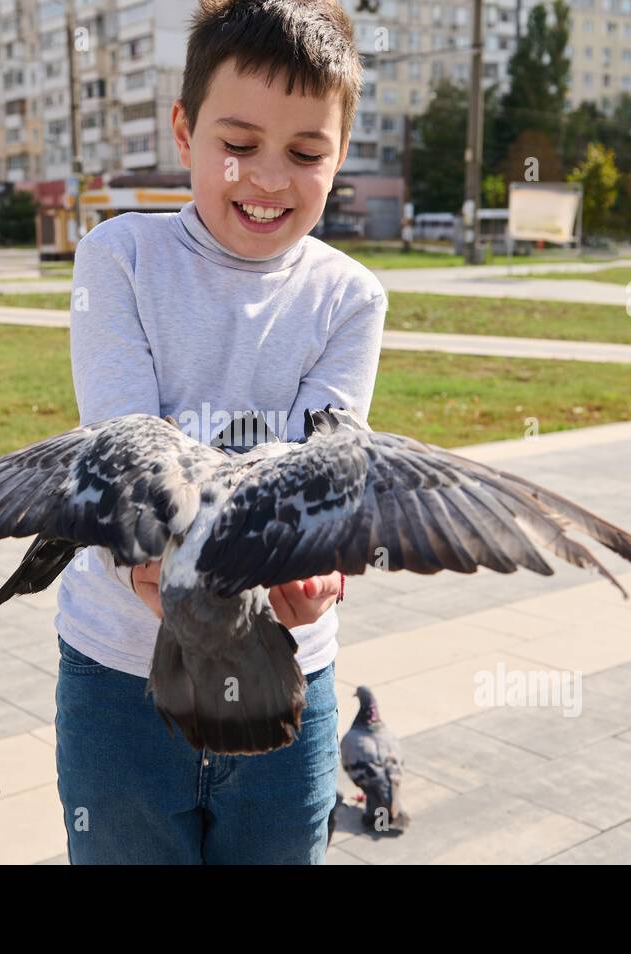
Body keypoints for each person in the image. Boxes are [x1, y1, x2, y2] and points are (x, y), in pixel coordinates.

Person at [53, 0, 386, 864]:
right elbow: (121, 454)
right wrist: (156, 573)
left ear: (340, 153)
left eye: (306, 153)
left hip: (290, 671)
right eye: (237, 145)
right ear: (183, 130)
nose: (269, 178)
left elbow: (330, 472)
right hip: (121, 676)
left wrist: (319, 570)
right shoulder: (118, 257)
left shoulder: (350, 296)